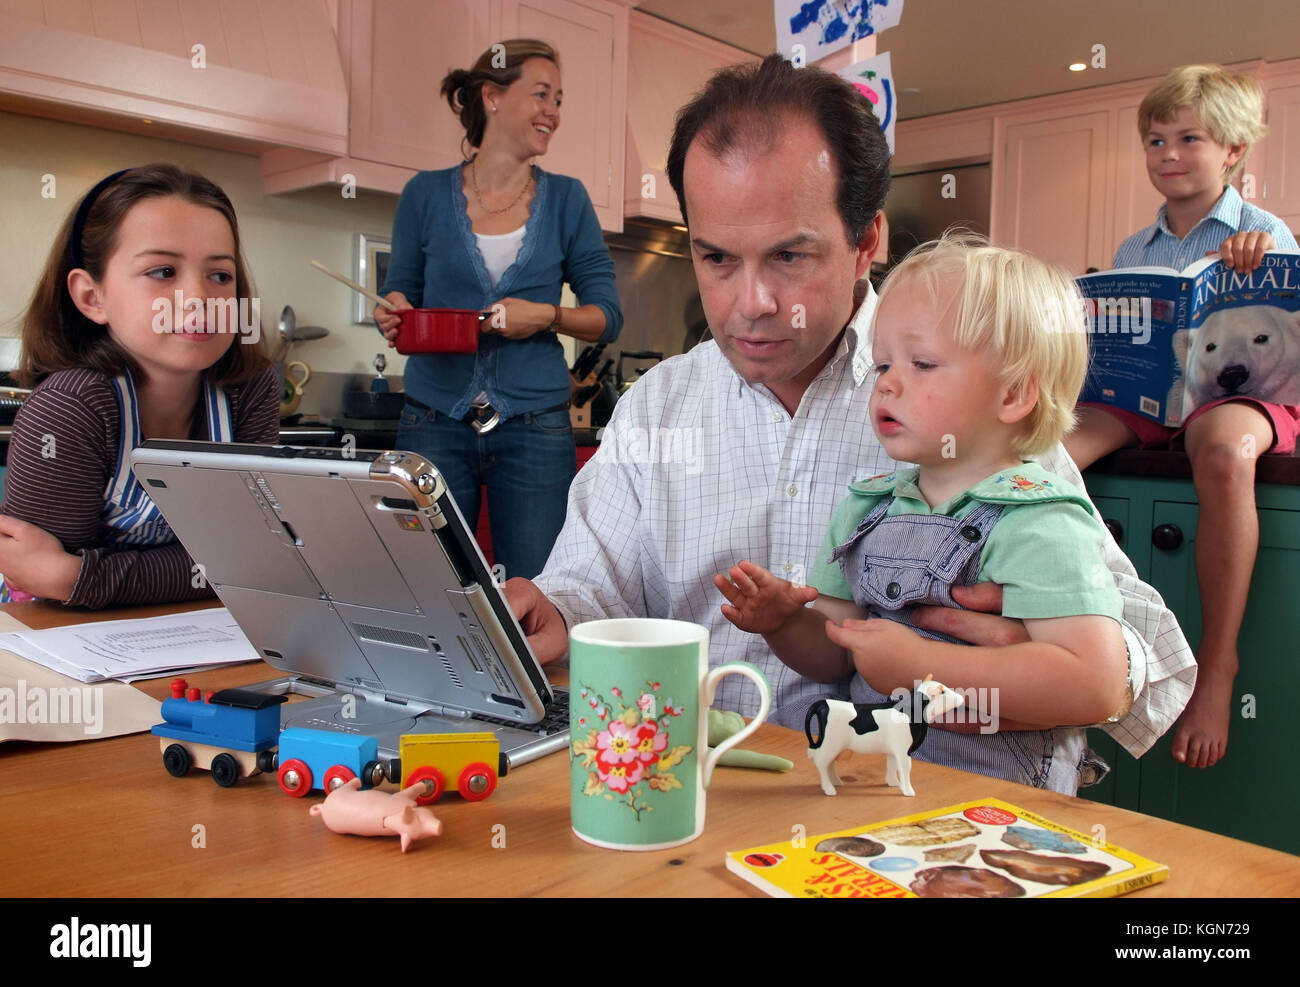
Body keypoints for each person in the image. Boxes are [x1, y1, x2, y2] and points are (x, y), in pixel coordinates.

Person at [505, 55, 1193, 769]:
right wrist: (553, 614)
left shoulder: (972, 403)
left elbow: (1148, 661)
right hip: (700, 799)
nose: (752, 303)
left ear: (867, 241)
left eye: (789, 257)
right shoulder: (657, 410)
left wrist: (1044, 662)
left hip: (915, 822)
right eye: (716, 259)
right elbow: (587, 584)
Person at [717, 236, 1130, 794]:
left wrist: (920, 669)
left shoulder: (1041, 520)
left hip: (1003, 809)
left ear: (1013, 394)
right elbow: (834, 656)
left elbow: (1094, 684)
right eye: (884, 362)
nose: (886, 381)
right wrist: (785, 623)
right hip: (881, 790)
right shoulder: (867, 508)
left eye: (923, 363)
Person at [1064, 65, 1299, 770]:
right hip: (1152, 401)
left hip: (1238, 400)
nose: (1167, 154)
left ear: (1232, 150)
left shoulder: (1267, 232)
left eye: (1187, 138)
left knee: (1226, 455)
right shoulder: (1137, 250)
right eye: (1155, 140)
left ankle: (1216, 668)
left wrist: (1255, 270)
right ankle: (1080, 639)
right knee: (1046, 451)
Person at [375, 39, 622, 581]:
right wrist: (393, 313)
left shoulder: (567, 200)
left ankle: (528, 672)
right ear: (491, 96)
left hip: (535, 426)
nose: (553, 112)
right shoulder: (424, 195)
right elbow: (401, 296)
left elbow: (607, 314)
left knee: (535, 587)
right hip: (433, 419)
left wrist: (549, 316)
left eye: (559, 99)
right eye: (541, 94)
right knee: (429, 582)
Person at [0, 163, 279, 608]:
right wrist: (223, 566)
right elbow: (43, 588)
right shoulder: (70, 408)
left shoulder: (251, 388)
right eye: (163, 272)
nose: (200, 299)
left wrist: (79, 576)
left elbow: (261, 558)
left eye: (220, 276)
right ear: (92, 298)